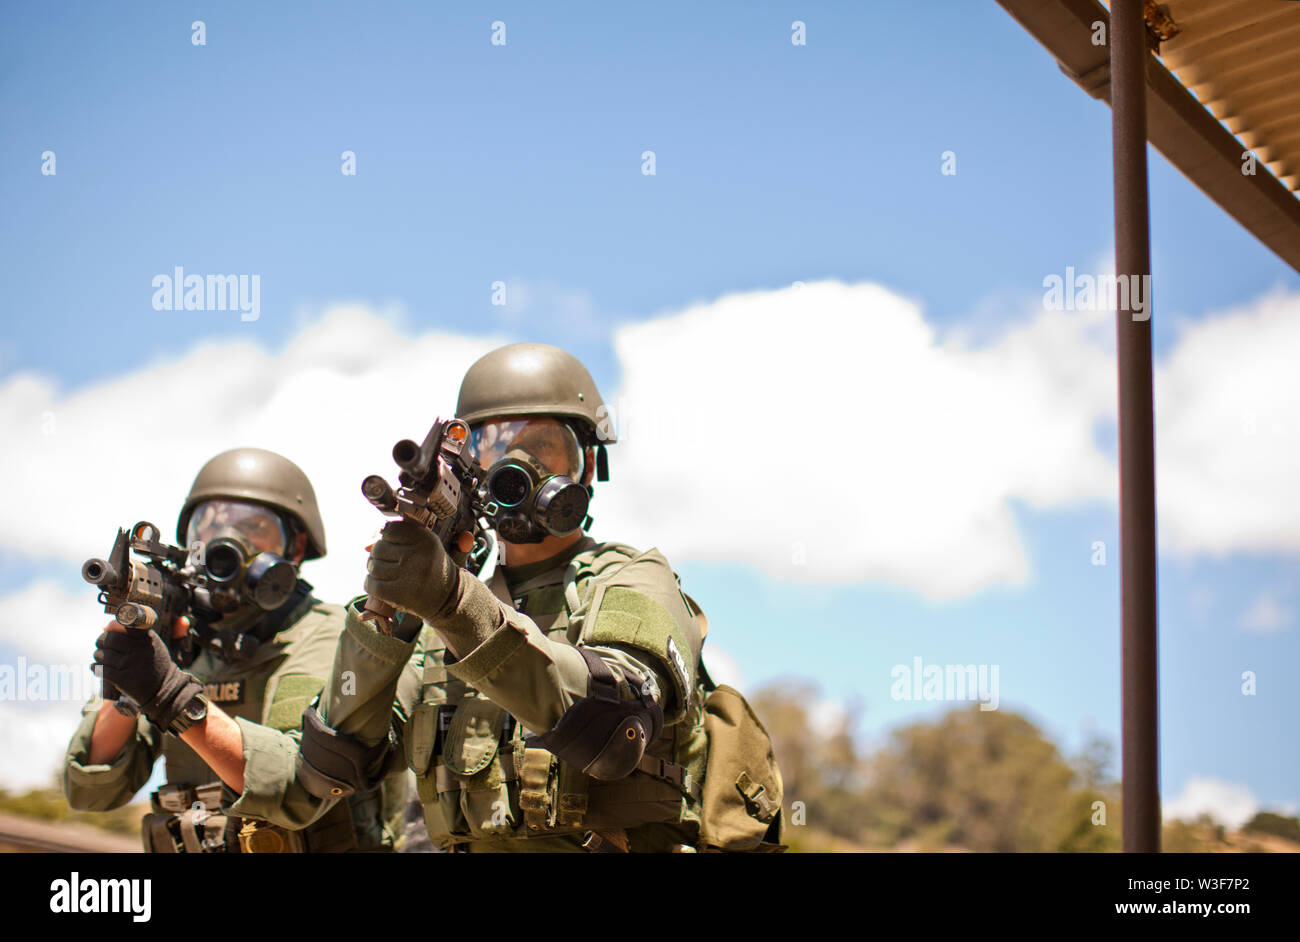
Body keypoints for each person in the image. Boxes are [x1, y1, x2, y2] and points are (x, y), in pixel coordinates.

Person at [234, 343, 713, 852]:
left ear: (588, 464)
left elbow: (616, 730)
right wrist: (385, 615)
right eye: (495, 445)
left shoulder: (629, 577)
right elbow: (336, 762)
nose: (517, 464)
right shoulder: (438, 623)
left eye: (544, 445)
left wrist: (451, 600)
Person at [62, 448, 408, 853]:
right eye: (208, 524)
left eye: (253, 525)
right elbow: (91, 791)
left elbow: (303, 787)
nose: (225, 540)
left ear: (295, 547)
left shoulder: (343, 639)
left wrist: (169, 695)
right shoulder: (181, 645)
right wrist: (128, 679)